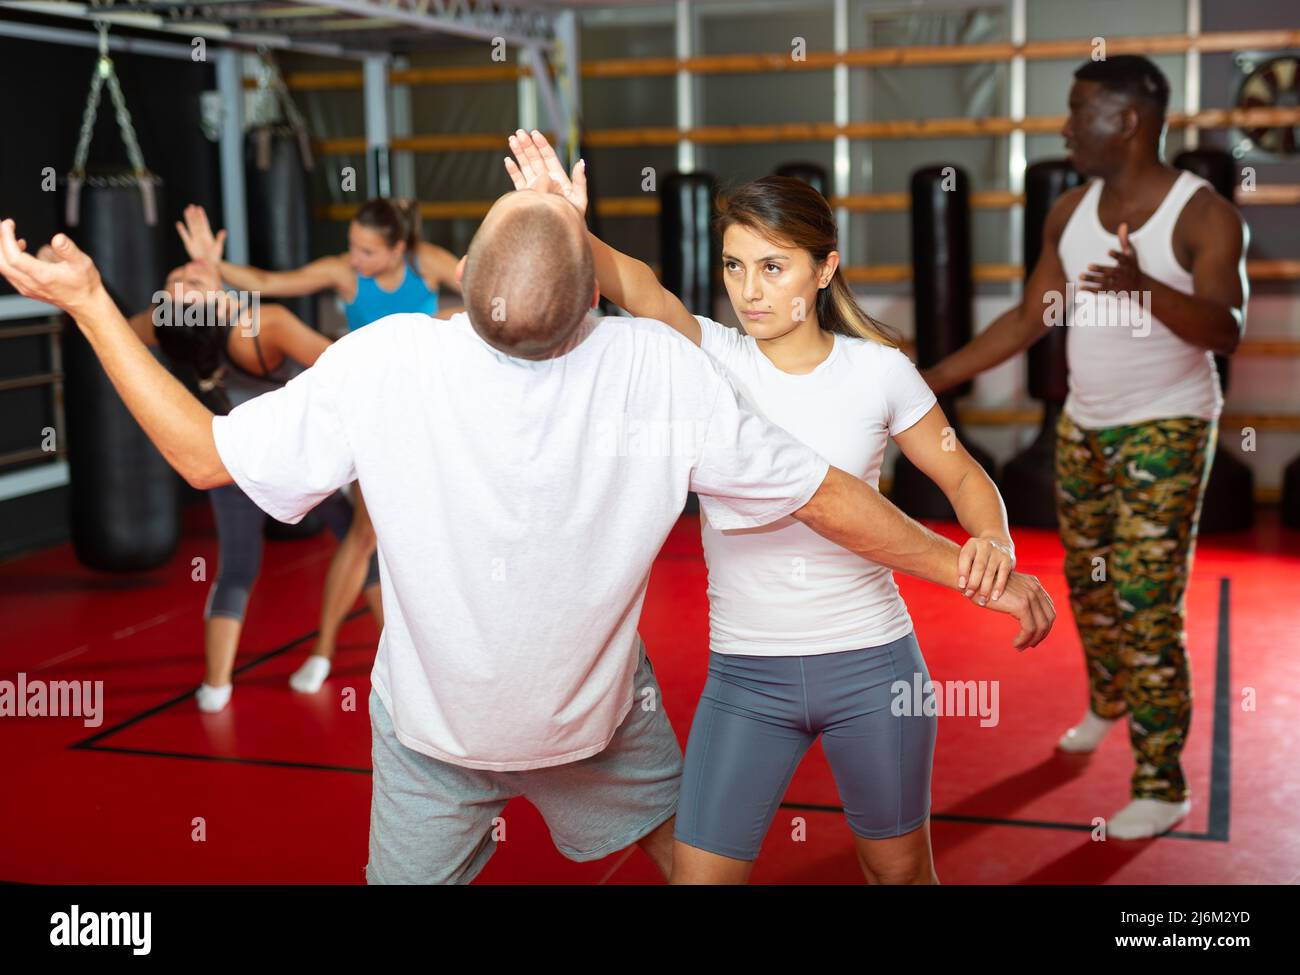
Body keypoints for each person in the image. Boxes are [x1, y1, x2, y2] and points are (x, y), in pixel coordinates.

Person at [0, 194, 1052, 885]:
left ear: (462, 289)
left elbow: (198, 454)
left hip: (434, 732)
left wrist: (90, 303)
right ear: (587, 306)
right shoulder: (655, 367)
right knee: (698, 872)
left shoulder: (392, 359)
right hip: (595, 721)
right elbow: (825, 497)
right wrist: (970, 573)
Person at [506, 129, 1038, 884]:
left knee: (899, 875)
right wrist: (565, 223)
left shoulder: (879, 371)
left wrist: (993, 541)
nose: (750, 290)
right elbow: (643, 288)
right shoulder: (712, 358)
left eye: (773, 267)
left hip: (874, 667)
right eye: (734, 266)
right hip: (747, 677)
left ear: (824, 269)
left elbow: (964, 476)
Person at [919, 55, 1248, 840]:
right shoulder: (1070, 212)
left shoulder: (1202, 216)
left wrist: (1145, 287)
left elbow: (1225, 326)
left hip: (1168, 424)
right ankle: (1110, 700)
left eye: (1079, 113)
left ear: (1127, 122)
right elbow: (1031, 319)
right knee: (1091, 585)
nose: (1066, 128)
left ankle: (1162, 783)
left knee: (1145, 603)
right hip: (1084, 425)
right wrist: (932, 377)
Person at [37, 249, 384, 712]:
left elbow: (116, 327)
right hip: (295, 454)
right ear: (217, 308)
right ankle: (349, 655)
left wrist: (80, 291)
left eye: (182, 273)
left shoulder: (170, 330)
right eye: (190, 281)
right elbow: (347, 367)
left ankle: (216, 686)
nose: (188, 270)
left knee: (240, 565)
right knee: (357, 540)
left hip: (231, 455)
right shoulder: (262, 327)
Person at [176, 198, 461, 690]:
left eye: (368, 251)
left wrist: (455, 319)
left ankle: (423, 655)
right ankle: (325, 650)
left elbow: (489, 292)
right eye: (352, 247)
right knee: (366, 536)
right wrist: (213, 265)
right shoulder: (345, 275)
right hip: (377, 415)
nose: (355, 259)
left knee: (429, 535)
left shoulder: (428, 262)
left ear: (398, 249)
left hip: (433, 405)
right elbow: (269, 283)